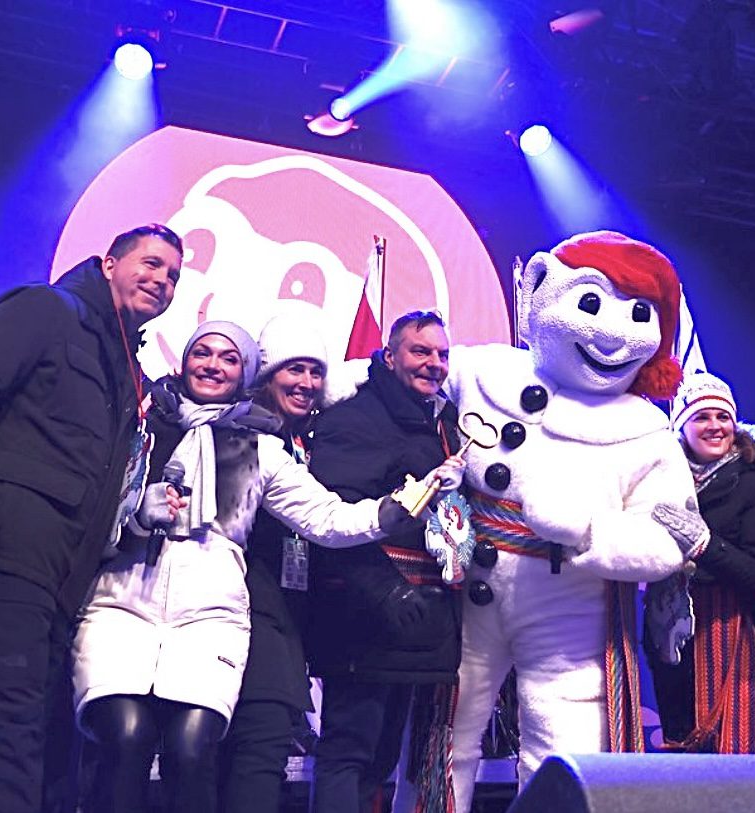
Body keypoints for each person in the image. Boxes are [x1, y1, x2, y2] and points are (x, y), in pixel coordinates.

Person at [70, 320, 464, 813]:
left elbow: (328, 518)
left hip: (209, 617)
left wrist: (409, 500)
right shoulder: (144, 425)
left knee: (194, 749)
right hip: (122, 605)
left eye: (229, 358)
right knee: (125, 739)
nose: (213, 365)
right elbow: (90, 506)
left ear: (245, 372)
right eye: (203, 353)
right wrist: (133, 516)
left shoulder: (260, 447)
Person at [443, 231, 698, 812]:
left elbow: (674, 536)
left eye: (639, 314)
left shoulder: (648, 430)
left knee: (564, 749)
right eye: (589, 303)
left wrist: (587, 530)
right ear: (537, 289)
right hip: (462, 593)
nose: (612, 332)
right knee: (445, 737)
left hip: (568, 607)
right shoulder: (481, 370)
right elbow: (384, 381)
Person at [0, 224, 183, 813]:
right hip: (0, 564)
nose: (161, 279)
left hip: (58, 586)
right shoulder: (46, 311)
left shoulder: (124, 369)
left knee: (30, 750)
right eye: (151, 264)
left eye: (174, 275)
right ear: (108, 264)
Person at [307, 310, 463, 813]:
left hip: (418, 624)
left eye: (441, 354)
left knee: (378, 762)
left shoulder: (441, 425)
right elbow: (331, 523)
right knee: (349, 752)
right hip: (366, 618)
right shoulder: (354, 419)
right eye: (420, 352)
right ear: (389, 355)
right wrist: (384, 592)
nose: (433, 364)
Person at [216, 315, 329, 813]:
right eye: (294, 370)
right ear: (265, 376)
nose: (306, 384)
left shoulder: (299, 444)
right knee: (251, 752)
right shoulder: (240, 435)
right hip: (239, 620)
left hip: (279, 622)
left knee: (257, 753)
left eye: (316, 372)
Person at [645, 371, 755, 754]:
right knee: (679, 741)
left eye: (723, 417)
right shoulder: (659, 481)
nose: (715, 426)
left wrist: (704, 545)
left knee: (731, 748)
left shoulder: (754, 480)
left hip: (734, 631)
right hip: (669, 630)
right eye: (702, 417)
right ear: (682, 427)